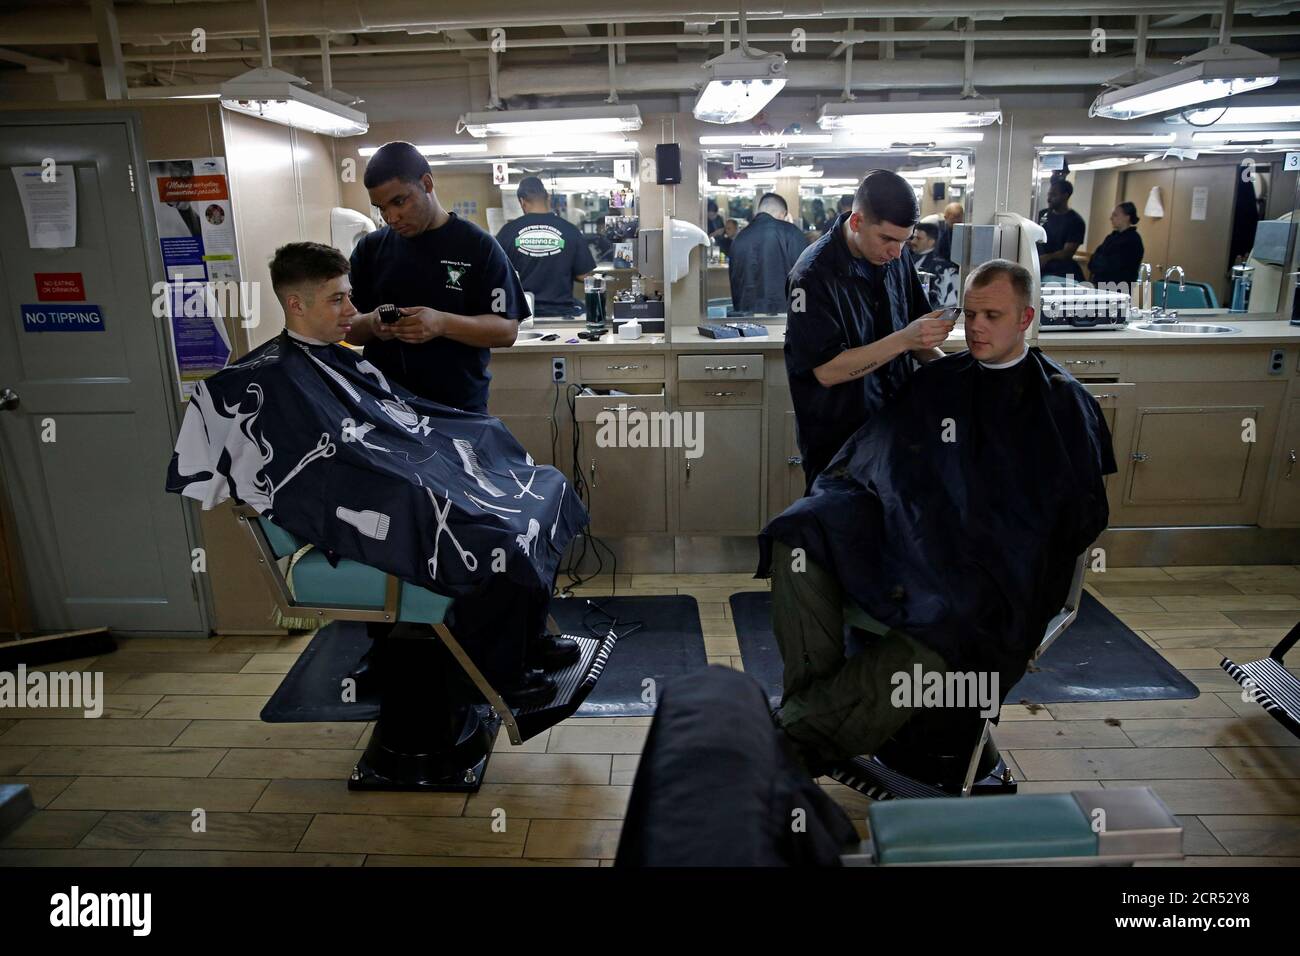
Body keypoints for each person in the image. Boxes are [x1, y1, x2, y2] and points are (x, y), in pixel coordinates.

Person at [167, 242, 587, 707]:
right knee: (500, 536)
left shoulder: (337, 355)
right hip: (372, 505)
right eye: (337, 299)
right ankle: (500, 670)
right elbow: (317, 472)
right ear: (295, 304)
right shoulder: (263, 380)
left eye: (349, 295)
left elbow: (400, 424)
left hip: (402, 475)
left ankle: (526, 637)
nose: (352, 310)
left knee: (539, 486)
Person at [761, 259, 1116, 777]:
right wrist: (833, 509)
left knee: (946, 624)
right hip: (912, 545)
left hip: (994, 574)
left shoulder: (1062, 403)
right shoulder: (941, 380)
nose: (975, 326)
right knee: (798, 540)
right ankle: (821, 724)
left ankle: (792, 737)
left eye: (992, 315)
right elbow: (874, 467)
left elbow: (1063, 522)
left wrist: (971, 547)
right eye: (969, 313)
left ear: (1025, 319)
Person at [783, 170, 956, 492]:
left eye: (905, 241)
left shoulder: (894, 257)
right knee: (841, 531)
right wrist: (904, 339)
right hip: (838, 439)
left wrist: (955, 374)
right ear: (857, 221)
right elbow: (827, 370)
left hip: (895, 426)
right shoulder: (810, 276)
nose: (897, 252)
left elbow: (915, 335)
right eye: (888, 239)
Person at [344, 141, 530, 415]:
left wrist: (442, 323)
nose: (391, 217)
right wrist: (372, 323)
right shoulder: (369, 249)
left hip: (459, 409)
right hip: (387, 408)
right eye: (380, 208)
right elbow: (349, 328)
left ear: (427, 184)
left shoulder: (478, 246)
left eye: (399, 201)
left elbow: (506, 331)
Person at [495, 176, 597, 318]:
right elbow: (583, 275)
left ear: (522, 201)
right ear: (548, 197)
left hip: (522, 314)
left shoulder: (507, 232)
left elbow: (496, 274)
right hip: (562, 314)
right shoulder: (570, 230)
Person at [727, 192, 809, 315]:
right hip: (784, 317)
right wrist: (802, 313)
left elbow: (735, 281)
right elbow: (804, 276)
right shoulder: (792, 233)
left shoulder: (739, 238)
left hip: (747, 319)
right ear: (783, 214)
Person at [1037, 179, 1087, 282]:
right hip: (1039, 269)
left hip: (1060, 272)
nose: (1049, 199)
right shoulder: (1043, 215)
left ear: (1065, 196)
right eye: (1049, 195)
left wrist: (1046, 258)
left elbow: (1067, 252)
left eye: (1053, 195)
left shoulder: (1075, 221)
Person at [1086, 201, 1145, 287]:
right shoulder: (1111, 237)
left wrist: (1101, 263)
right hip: (1101, 285)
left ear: (1127, 217)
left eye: (1115, 215)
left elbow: (1116, 266)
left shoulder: (1133, 240)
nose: (1111, 218)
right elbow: (1093, 260)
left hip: (1118, 288)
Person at [909, 221, 958, 308]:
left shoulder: (942, 267)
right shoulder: (908, 259)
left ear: (931, 242)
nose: (913, 241)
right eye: (913, 237)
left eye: (918, 238)